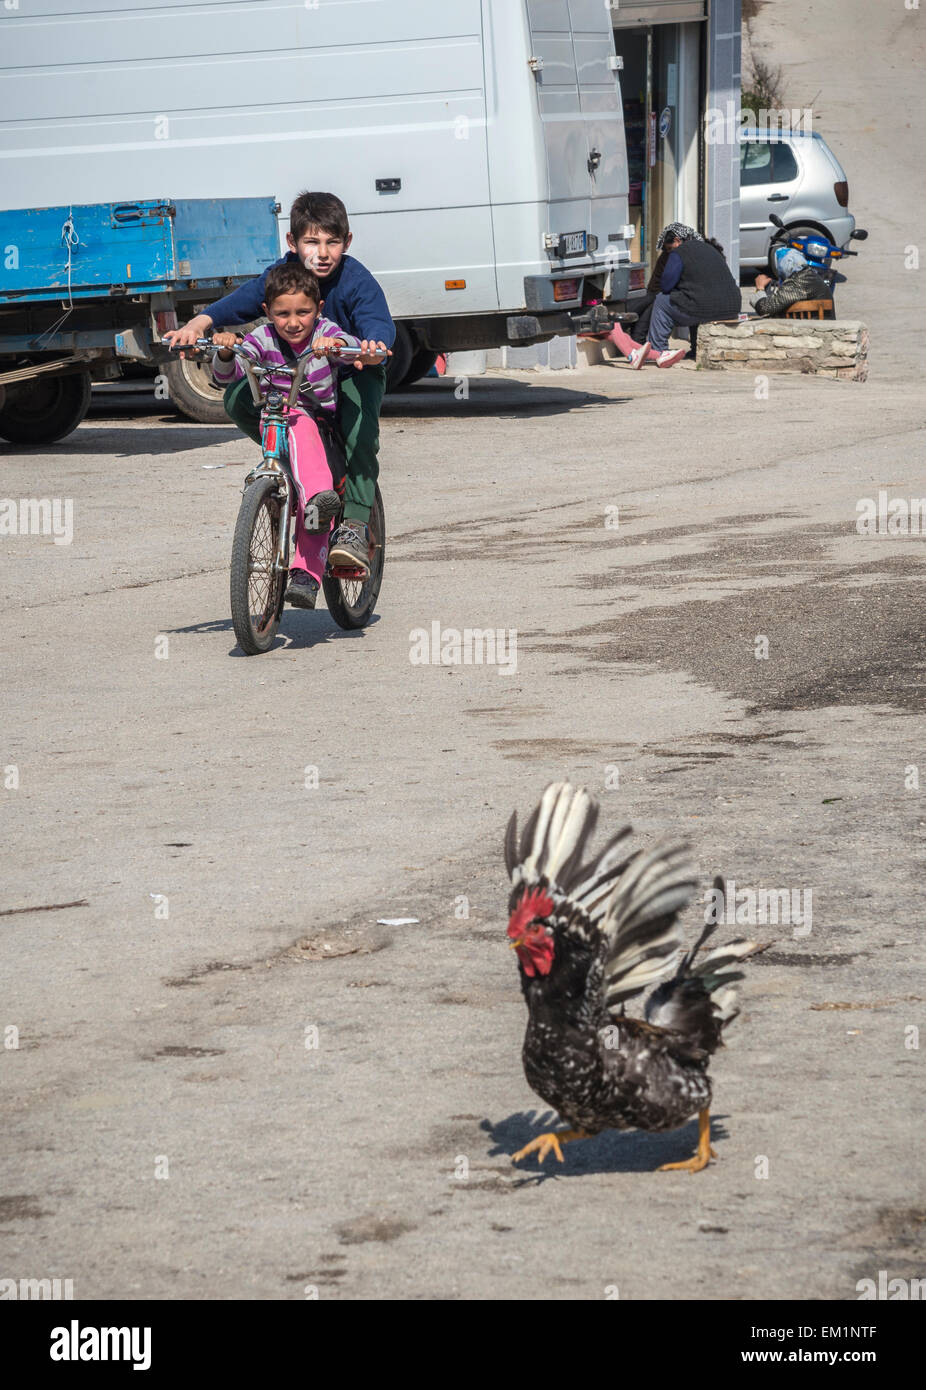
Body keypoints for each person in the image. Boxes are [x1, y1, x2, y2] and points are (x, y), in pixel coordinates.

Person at [163, 191, 394, 577]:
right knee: (238, 397)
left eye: (332, 242)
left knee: (359, 434)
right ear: (292, 243)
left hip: (352, 369)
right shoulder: (283, 274)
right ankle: (293, 457)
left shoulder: (356, 280)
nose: (321, 253)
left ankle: (354, 523)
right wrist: (199, 324)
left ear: (346, 243)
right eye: (311, 242)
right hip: (294, 374)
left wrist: (371, 348)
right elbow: (241, 301)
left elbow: (378, 325)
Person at [211, 262, 361, 611]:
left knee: (316, 494)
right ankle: (313, 502)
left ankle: (306, 575)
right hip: (278, 419)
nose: (293, 322)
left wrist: (334, 344)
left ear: (318, 309)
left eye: (303, 312)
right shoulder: (261, 339)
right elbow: (230, 372)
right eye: (282, 314)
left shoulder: (325, 330)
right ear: (267, 312)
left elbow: (353, 349)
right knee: (308, 469)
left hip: (323, 422)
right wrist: (224, 350)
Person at [628, 222, 742, 370]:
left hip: (707, 307)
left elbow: (666, 286)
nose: (668, 253)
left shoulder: (679, 252)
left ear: (677, 240)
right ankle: (695, 348)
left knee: (662, 301)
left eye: (669, 249)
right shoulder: (711, 249)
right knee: (694, 299)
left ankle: (659, 351)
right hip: (732, 307)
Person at [751, 246, 832, 317]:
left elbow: (765, 308)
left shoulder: (798, 281)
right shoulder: (811, 275)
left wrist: (760, 288)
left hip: (812, 329)